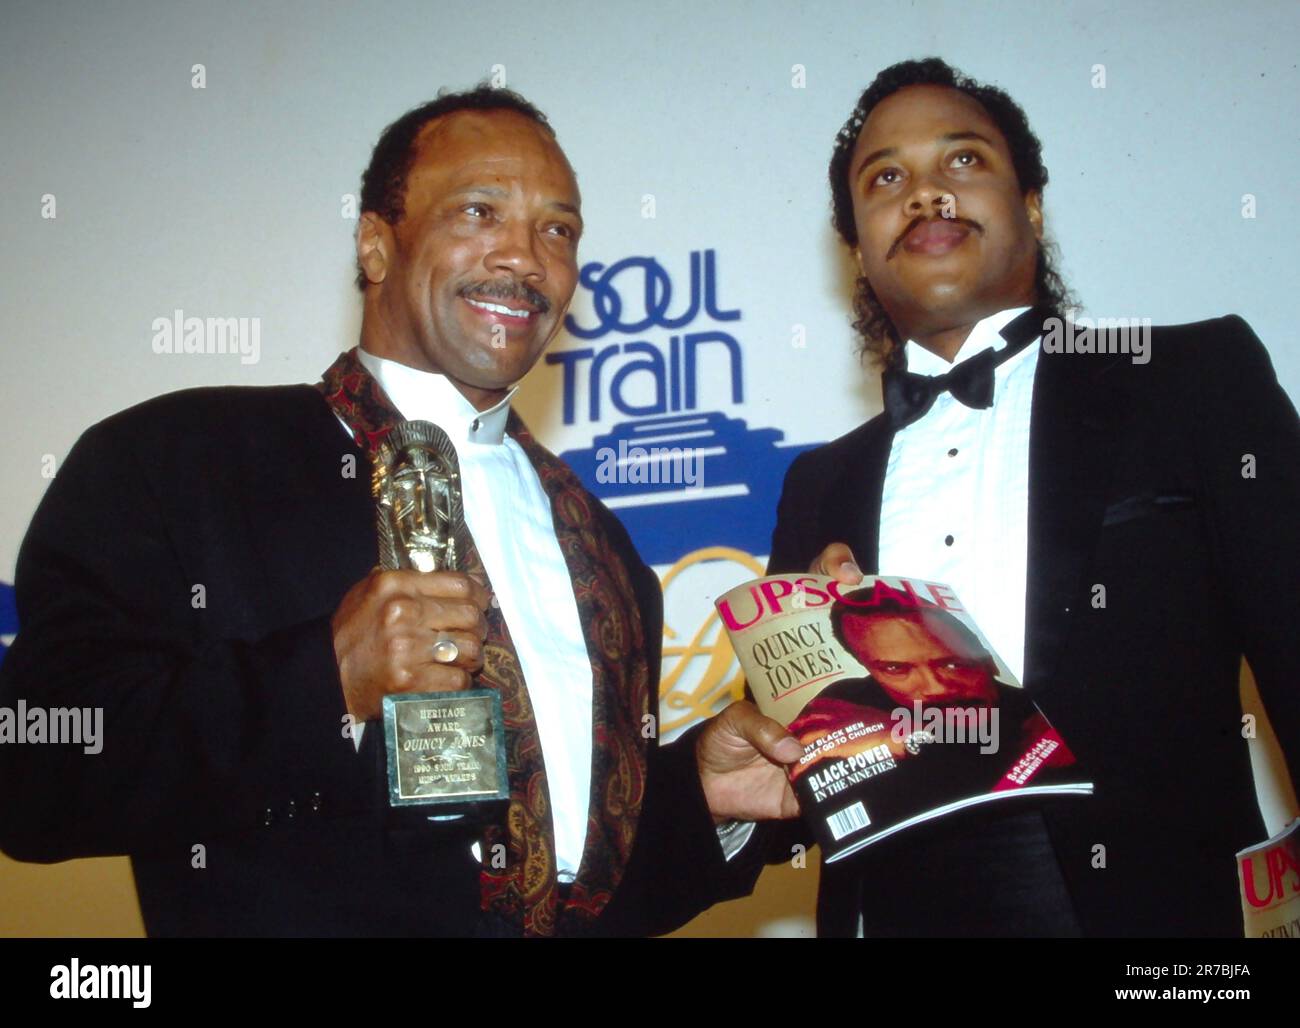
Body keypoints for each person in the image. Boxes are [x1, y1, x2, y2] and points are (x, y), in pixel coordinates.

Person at [0, 86, 800, 937]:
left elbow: (583, 888)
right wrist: (324, 681)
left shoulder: (604, 547)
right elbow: (34, 770)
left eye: (557, 230)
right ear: (377, 246)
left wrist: (703, 804)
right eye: (480, 211)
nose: (525, 259)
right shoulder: (177, 459)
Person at [765, 58, 1300, 937]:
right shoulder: (817, 486)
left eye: (963, 160)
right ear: (857, 246)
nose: (926, 192)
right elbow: (805, 761)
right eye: (887, 177)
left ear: (1033, 207)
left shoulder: (1192, 377)